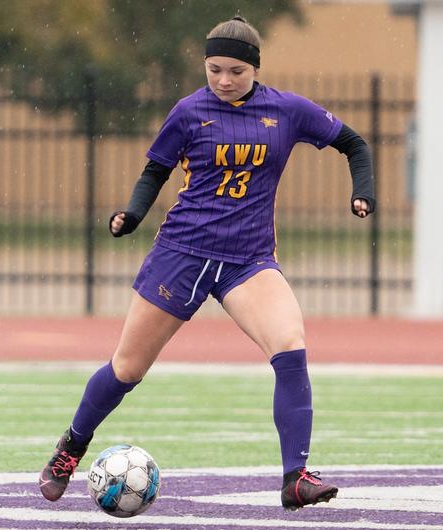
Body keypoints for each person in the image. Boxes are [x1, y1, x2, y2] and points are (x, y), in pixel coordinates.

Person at [39, 15, 374, 510]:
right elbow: (155, 170)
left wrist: (361, 193)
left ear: (255, 69)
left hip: (248, 260)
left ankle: (295, 476)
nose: (223, 80)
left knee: (290, 346)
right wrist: (131, 214)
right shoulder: (189, 111)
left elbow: (355, 144)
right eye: (214, 69)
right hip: (182, 254)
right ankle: (71, 447)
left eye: (235, 71)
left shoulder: (286, 110)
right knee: (127, 367)